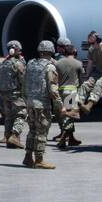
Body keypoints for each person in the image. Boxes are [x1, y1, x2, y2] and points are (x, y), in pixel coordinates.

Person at [23, 40, 63, 170]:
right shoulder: (50, 67)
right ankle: (39, 160)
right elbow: (53, 89)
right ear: (51, 52)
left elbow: (24, 83)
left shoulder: (30, 64)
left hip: (30, 102)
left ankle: (28, 156)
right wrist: (60, 106)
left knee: (32, 130)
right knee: (42, 131)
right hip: (42, 104)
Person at [74, 31, 102, 117]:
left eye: (92, 41)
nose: (90, 43)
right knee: (85, 85)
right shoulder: (91, 50)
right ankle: (78, 104)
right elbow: (90, 64)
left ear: (97, 40)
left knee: (99, 83)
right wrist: (87, 76)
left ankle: (89, 105)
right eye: (89, 41)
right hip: (97, 72)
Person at [0, 40, 28, 149]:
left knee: (9, 116)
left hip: (5, 94)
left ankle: (8, 137)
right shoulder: (18, 63)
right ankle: (15, 136)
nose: (20, 52)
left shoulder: (4, 63)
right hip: (16, 94)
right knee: (21, 114)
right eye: (19, 50)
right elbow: (23, 79)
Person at [54, 38, 84, 149]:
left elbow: (55, 77)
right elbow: (81, 79)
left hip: (60, 90)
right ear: (74, 52)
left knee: (64, 114)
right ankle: (64, 137)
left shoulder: (58, 63)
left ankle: (71, 138)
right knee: (69, 116)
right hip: (71, 91)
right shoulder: (78, 63)